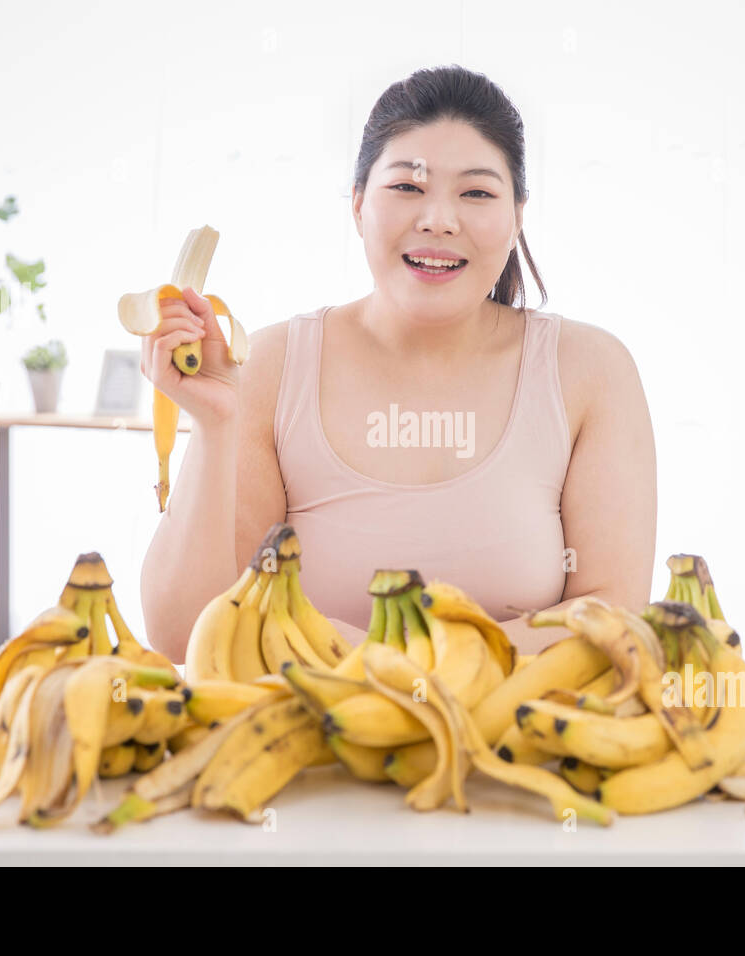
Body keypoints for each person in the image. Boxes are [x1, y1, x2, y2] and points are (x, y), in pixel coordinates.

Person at [139, 64, 656, 663]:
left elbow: (612, 614)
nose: (438, 219)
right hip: (306, 744)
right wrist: (213, 424)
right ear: (357, 205)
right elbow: (183, 633)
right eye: (407, 187)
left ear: (517, 217)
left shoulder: (590, 372)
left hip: (527, 747)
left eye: (477, 192)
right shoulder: (271, 366)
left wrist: (391, 660)